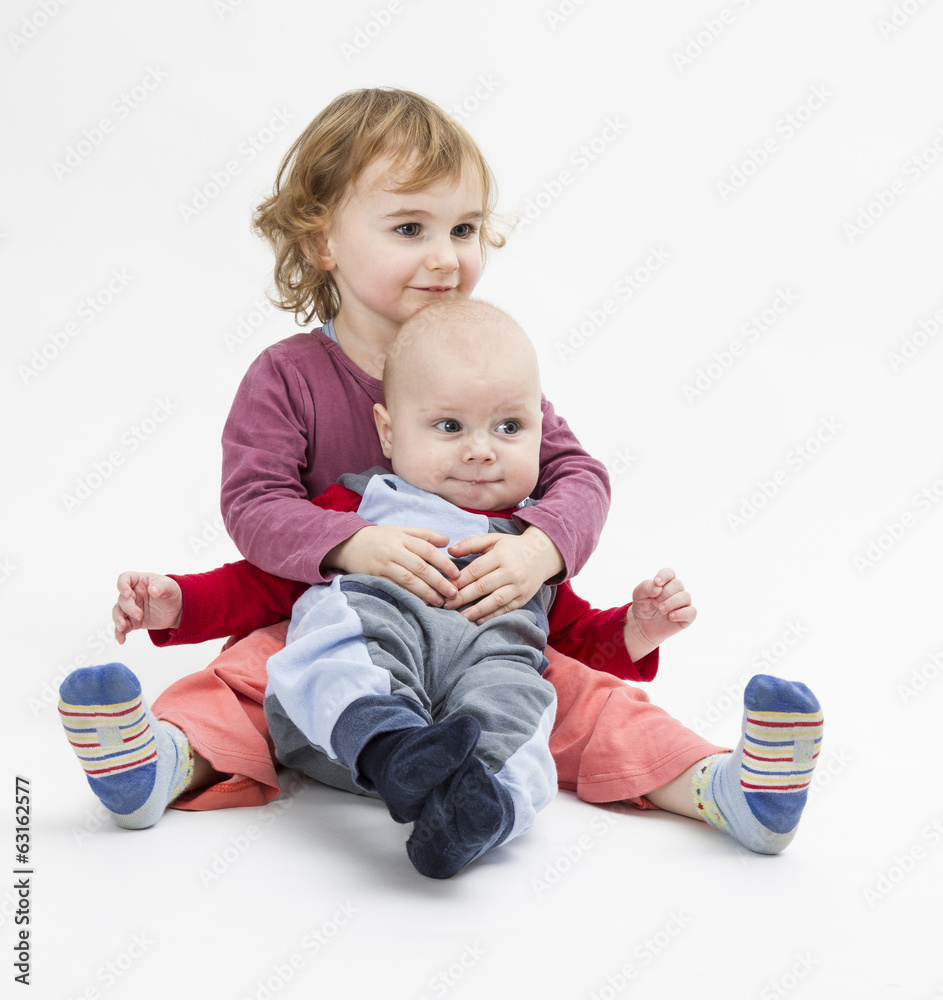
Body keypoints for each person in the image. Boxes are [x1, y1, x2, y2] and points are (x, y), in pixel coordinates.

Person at [58, 88, 822, 862]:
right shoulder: (289, 377)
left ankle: (723, 789)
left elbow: (578, 475)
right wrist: (342, 548)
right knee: (247, 676)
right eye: (409, 228)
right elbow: (255, 507)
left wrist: (535, 552)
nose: (444, 255)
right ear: (324, 241)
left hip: (484, 636)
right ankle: (159, 765)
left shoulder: (483, 361)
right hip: (336, 622)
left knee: (586, 698)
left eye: (462, 228)